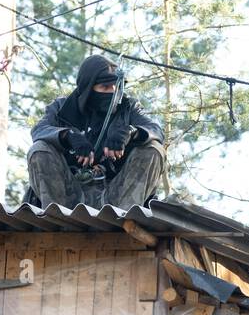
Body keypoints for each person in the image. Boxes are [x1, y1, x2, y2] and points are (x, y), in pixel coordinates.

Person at [26, 54, 166, 209]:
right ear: (88, 88)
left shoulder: (128, 107)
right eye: (105, 87)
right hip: (67, 194)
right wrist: (67, 136)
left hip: (117, 196)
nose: (112, 92)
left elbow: (156, 130)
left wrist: (132, 132)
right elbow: (39, 130)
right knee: (39, 149)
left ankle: (124, 219)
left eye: (115, 87)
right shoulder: (61, 108)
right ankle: (57, 216)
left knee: (153, 149)